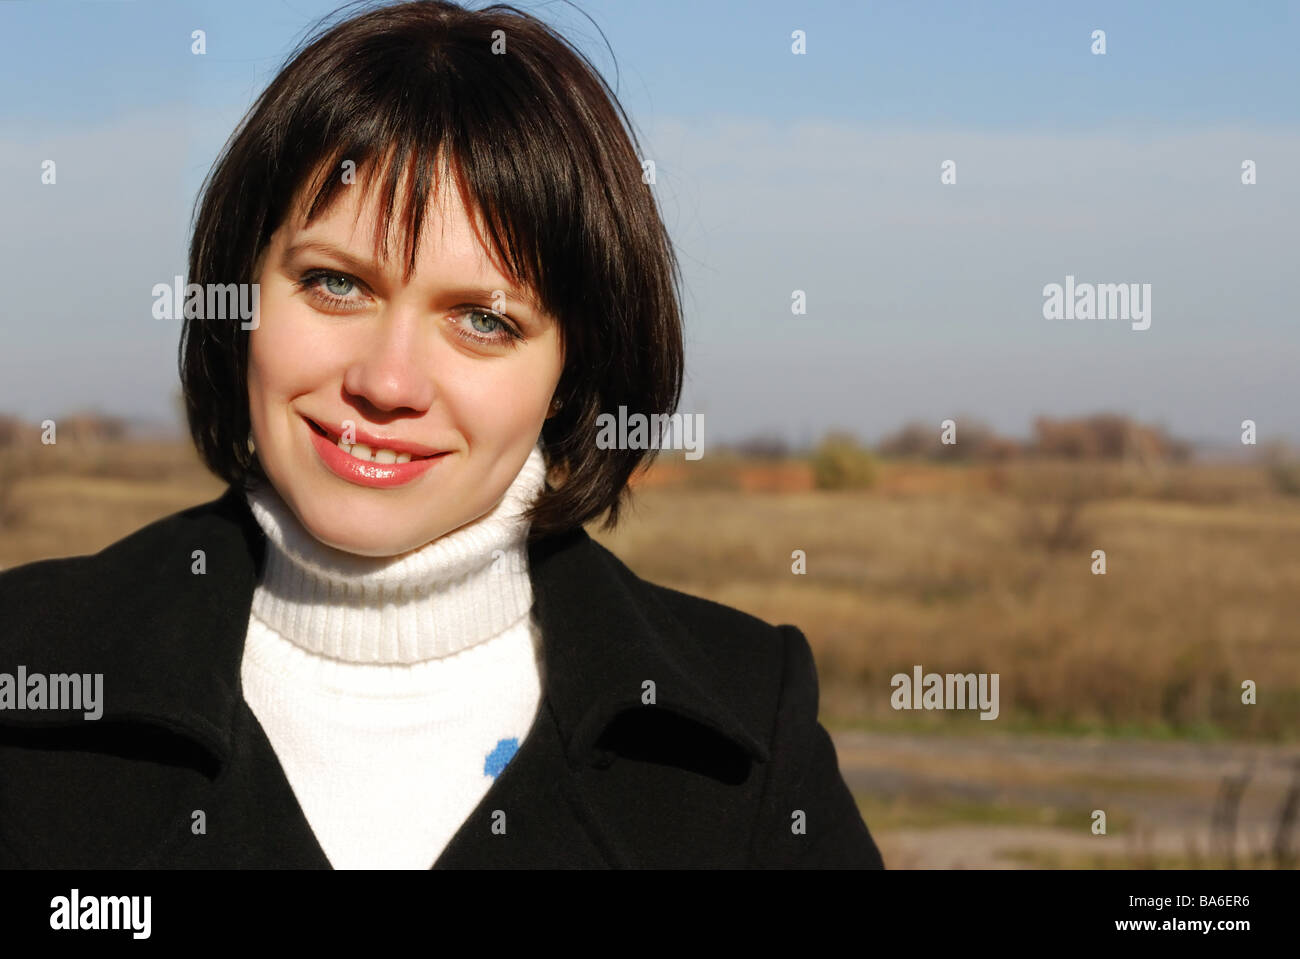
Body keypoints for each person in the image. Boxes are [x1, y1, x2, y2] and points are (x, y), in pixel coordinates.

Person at [0, 0, 883, 869]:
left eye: (484, 322)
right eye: (335, 285)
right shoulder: (27, 662)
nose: (387, 382)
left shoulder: (743, 736)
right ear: (240, 296)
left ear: (573, 373)